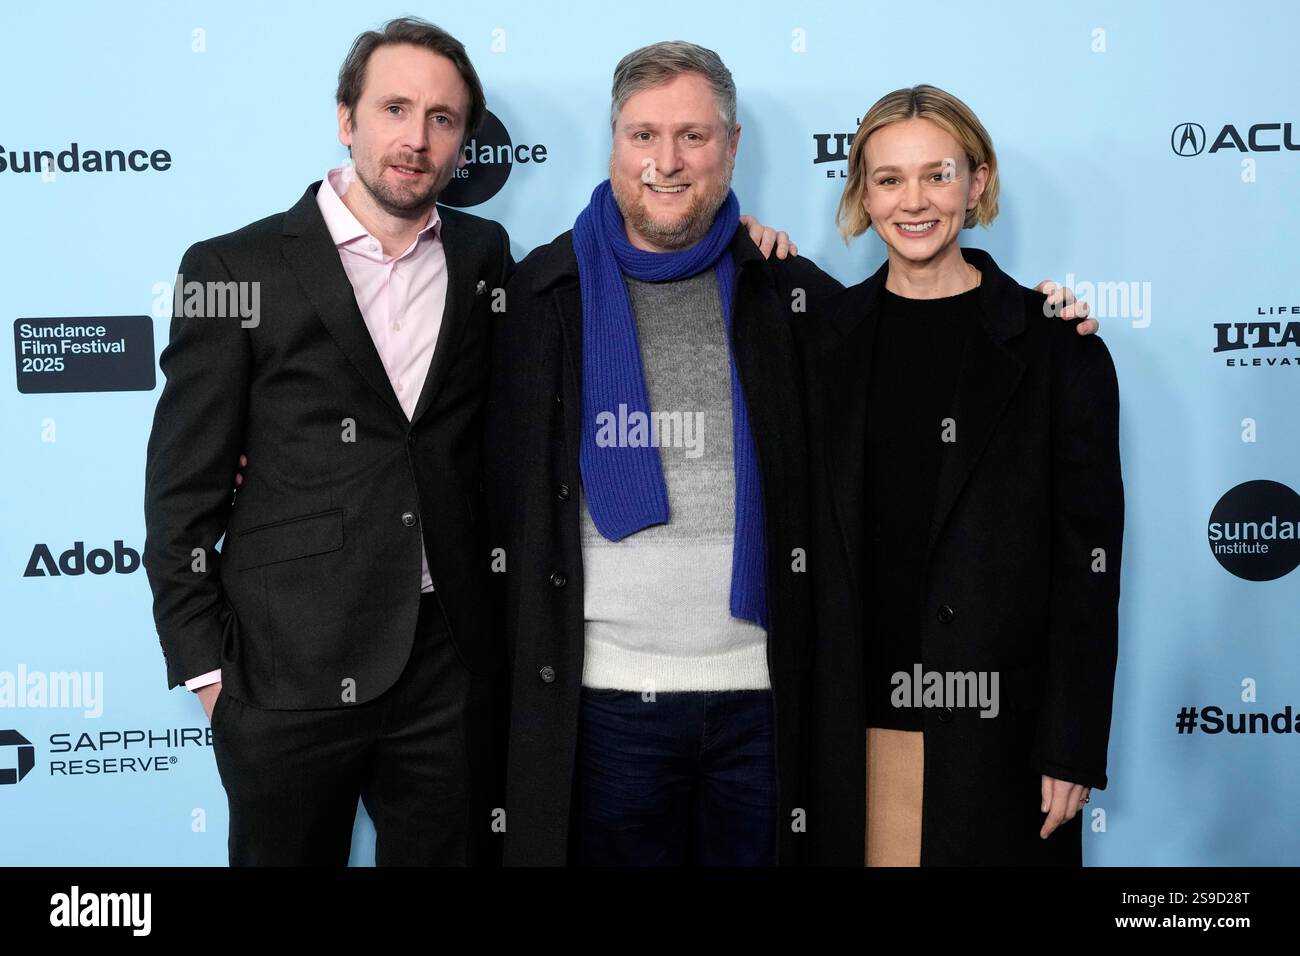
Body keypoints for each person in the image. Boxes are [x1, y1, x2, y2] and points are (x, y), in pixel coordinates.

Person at [143, 17, 512, 866]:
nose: (416, 139)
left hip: (446, 663)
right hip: (284, 668)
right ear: (347, 119)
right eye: (394, 109)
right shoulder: (232, 269)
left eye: (443, 119)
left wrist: (745, 245)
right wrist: (209, 675)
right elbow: (181, 488)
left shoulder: (486, 255)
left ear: (463, 144)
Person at [799, 84, 1123, 866]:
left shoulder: (1058, 349)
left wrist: (1071, 748)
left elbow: (1090, 568)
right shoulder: (817, 343)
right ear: (862, 193)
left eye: (937, 175)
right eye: (888, 179)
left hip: (997, 741)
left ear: (977, 183)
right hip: (847, 735)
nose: (914, 201)